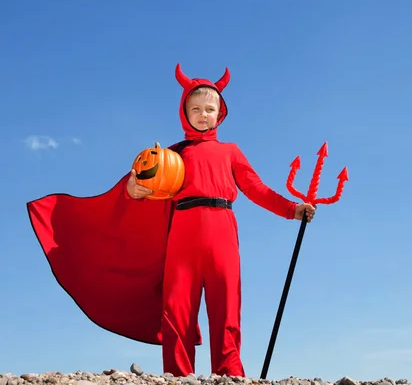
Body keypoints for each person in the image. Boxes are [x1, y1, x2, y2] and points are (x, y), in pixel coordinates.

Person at [26, 64, 316, 378]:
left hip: (223, 231)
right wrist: (133, 189)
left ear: (220, 114)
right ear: (184, 112)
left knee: (227, 306)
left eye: (210, 109)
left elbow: (256, 189)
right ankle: (178, 376)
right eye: (196, 109)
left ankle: (230, 372)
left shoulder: (231, 152)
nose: (203, 114)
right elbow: (143, 184)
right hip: (183, 234)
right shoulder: (173, 155)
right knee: (177, 308)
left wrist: (293, 209)